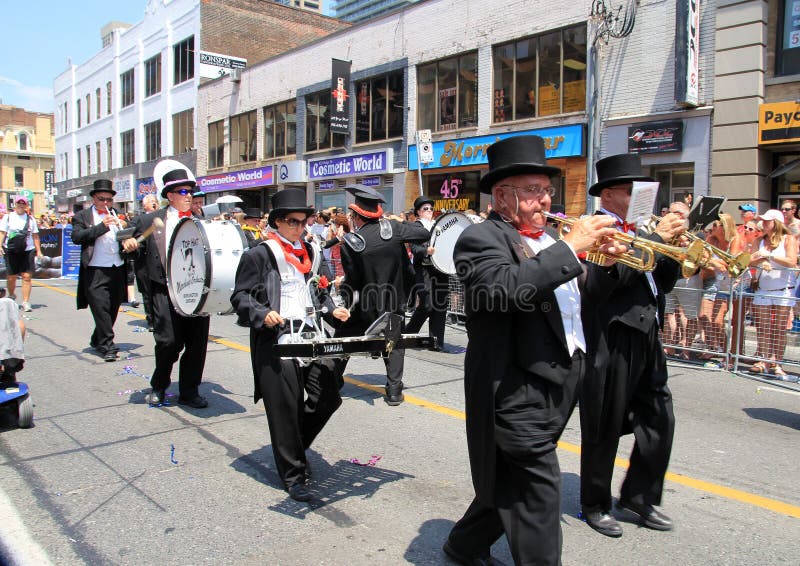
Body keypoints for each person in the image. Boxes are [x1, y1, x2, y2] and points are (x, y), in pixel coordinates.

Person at [444, 136, 624, 565]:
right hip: (515, 386)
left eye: (547, 190)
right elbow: (501, 290)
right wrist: (571, 249)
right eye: (533, 191)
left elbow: (582, 299)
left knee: (511, 478)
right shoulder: (478, 238)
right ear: (503, 196)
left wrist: (610, 265)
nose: (545, 200)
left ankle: (464, 544)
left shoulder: (550, 240)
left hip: (563, 376)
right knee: (538, 492)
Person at [579, 153, 687, 539]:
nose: (644, 197)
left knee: (661, 417)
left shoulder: (643, 228)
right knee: (604, 423)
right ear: (609, 194)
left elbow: (665, 283)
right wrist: (654, 240)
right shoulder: (596, 228)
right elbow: (606, 283)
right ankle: (595, 502)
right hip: (610, 336)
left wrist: (674, 248)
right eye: (633, 190)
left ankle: (639, 496)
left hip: (648, 332)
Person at [231, 188, 350, 502]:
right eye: (293, 222)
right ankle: (294, 475)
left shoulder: (310, 252)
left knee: (328, 396)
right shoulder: (260, 253)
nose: (300, 227)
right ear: (278, 222)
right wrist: (261, 312)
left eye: (304, 221)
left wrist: (330, 308)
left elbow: (317, 290)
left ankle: (295, 446)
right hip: (278, 341)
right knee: (286, 410)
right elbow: (240, 296)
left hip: (311, 336)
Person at [332, 185, 430, 406]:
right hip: (394, 301)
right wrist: (400, 221)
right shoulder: (394, 228)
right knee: (393, 342)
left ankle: (332, 380)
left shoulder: (350, 242)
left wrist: (344, 289)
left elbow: (354, 280)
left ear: (356, 215)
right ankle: (394, 390)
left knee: (343, 339)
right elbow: (424, 232)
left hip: (365, 305)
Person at [122, 165, 210, 408]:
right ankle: (159, 385)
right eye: (183, 192)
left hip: (196, 290)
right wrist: (130, 244)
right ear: (169, 195)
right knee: (168, 342)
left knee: (197, 344)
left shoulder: (200, 221)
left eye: (191, 191)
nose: (189, 196)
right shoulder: (151, 220)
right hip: (164, 289)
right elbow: (130, 242)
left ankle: (189, 391)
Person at [71, 180, 130, 361]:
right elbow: (77, 237)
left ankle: (98, 339)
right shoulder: (83, 217)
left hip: (117, 267)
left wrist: (129, 238)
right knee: (101, 308)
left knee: (112, 308)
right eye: (102, 199)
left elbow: (125, 237)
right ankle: (107, 346)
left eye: (109, 200)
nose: (106, 203)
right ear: (93, 199)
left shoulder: (117, 215)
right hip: (95, 270)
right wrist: (101, 227)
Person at [748, 209, 798, 377]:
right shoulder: (759, 240)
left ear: (776, 223)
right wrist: (761, 260)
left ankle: (776, 362)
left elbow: (791, 261)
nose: (764, 223)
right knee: (763, 328)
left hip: (783, 290)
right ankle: (762, 360)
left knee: (778, 328)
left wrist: (770, 256)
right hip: (763, 288)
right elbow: (749, 260)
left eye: (767, 221)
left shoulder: (788, 239)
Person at [405, 196, 449, 351]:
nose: (429, 211)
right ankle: (408, 334)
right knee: (427, 305)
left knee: (440, 305)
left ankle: (436, 342)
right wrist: (426, 250)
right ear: (418, 212)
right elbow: (415, 249)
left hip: (441, 269)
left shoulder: (439, 225)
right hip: (424, 270)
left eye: (431, 208)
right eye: (425, 209)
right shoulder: (415, 227)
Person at [0, 196, 43, 312]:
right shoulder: (8, 217)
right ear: (15, 205)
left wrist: (39, 251)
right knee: (11, 277)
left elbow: (35, 236)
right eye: (18, 203)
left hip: (27, 250)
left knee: (27, 276)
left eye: (23, 203)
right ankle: (12, 294)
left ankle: (25, 301)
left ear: (26, 205)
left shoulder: (31, 219)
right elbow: (2, 233)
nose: (21, 205)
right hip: (11, 250)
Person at [135, 194, 160, 331]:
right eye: (150, 202)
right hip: (144, 263)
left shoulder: (164, 217)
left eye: (155, 201)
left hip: (160, 262)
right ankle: (151, 320)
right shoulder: (140, 220)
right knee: (148, 292)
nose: (153, 203)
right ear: (144, 206)